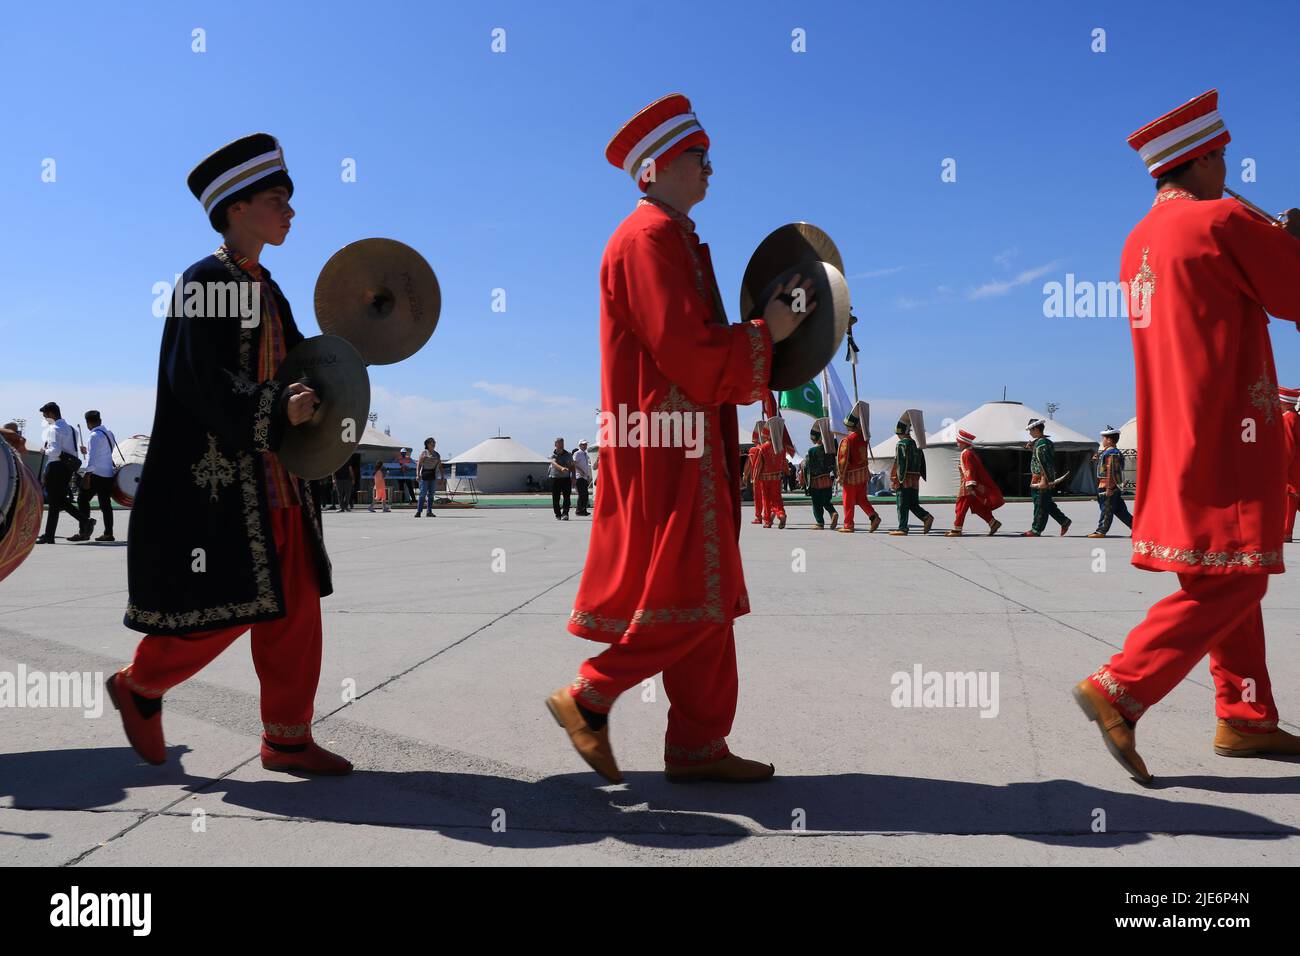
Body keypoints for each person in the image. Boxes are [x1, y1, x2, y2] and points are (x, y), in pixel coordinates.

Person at [548, 92, 811, 784]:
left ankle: (698, 745)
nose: (709, 170)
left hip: (686, 442)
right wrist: (768, 334)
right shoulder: (647, 239)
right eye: (699, 158)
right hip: (666, 447)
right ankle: (589, 695)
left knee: (710, 598)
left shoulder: (674, 237)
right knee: (690, 593)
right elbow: (684, 350)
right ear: (652, 169)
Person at [1073, 90, 1300, 782]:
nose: (1227, 171)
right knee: (1239, 579)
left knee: (1217, 577)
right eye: (1222, 158)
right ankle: (1122, 685)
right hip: (1231, 435)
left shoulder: (1137, 239)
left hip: (1175, 434)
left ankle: (1244, 716)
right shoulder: (1222, 219)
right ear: (1200, 161)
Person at [107, 133, 350, 776]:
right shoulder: (206, 280)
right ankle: (140, 687)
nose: (291, 213)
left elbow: (301, 363)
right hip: (225, 480)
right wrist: (273, 407)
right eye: (278, 200)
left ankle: (287, 740)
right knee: (227, 607)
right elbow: (198, 378)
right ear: (236, 208)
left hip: (282, 479)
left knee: (295, 612)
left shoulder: (268, 286)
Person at [37, 401, 93, 544]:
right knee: (58, 501)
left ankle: (84, 522)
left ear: (51, 414)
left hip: (55, 467)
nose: (44, 418)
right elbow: (73, 451)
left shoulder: (53, 429)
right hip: (67, 468)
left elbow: (55, 451)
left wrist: (44, 450)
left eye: (45, 415)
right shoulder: (72, 429)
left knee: (56, 501)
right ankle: (51, 534)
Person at [944, 429, 1003, 536]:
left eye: (958, 441)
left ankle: (957, 529)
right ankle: (993, 522)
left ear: (963, 443)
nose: (957, 443)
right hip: (972, 484)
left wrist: (970, 485)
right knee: (977, 506)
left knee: (960, 506)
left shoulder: (965, 453)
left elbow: (969, 469)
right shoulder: (971, 452)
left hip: (968, 485)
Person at [1022, 418, 1071, 537]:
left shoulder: (1041, 444)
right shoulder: (1044, 442)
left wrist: (1044, 479)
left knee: (1040, 505)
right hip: (1039, 478)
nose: (1030, 433)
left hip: (1041, 479)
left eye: (1031, 430)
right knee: (1046, 503)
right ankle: (1064, 521)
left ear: (1036, 429)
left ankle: (1036, 529)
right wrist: (1032, 448)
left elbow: (1044, 462)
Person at [75, 410, 118, 542]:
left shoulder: (93, 436)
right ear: (100, 420)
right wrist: (86, 451)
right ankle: (108, 533)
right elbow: (103, 453)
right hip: (108, 473)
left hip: (96, 474)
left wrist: (87, 476)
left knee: (82, 500)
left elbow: (93, 458)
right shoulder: (109, 433)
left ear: (88, 423)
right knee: (106, 505)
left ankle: (84, 531)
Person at [836, 408, 880, 533]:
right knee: (861, 498)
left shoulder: (847, 440)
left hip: (850, 475)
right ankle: (873, 516)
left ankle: (848, 524)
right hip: (863, 474)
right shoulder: (864, 438)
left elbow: (843, 460)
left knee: (848, 500)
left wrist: (841, 475)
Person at [889, 417, 933, 535]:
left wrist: (896, 479)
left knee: (902, 503)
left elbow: (900, 463)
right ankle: (926, 517)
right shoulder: (916, 444)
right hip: (914, 478)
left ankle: (902, 527)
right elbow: (921, 462)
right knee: (913, 503)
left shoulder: (901, 444)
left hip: (904, 478)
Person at [1086, 426, 1133, 538]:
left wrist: (1109, 488)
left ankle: (1101, 531)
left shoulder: (1112, 453)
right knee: (1120, 510)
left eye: (1104, 438)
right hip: (1108, 486)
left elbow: (1112, 472)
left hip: (1108, 486)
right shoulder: (1108, 452)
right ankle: (1137, 528)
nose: (1103, 440)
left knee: (1106, 509)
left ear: (1109, 440)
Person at [801, 426, 838, 530]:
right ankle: (833, 512)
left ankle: (820, 522)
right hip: (827, 479)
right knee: (826, 501)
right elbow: (832, 464)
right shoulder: (829, 449)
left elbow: (809, 467)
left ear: (813, 438)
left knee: (816, 502)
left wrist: (805, 479)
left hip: (816, 481)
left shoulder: (812, 450)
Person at [755, 422, 787, 529]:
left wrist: (755, 477)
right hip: (777, 477)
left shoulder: (762, 448)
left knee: (766, 500)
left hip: (765, 478)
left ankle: (768, 521)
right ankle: (781, 514)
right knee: (777, 498)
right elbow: (784, 463)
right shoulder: (781, 448)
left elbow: (758, 465)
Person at [1281, 389, 1300, 543]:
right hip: (1296, 467)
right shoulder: (1296, 418)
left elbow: (1288, 447)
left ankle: (1285, 533)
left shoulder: (1288, 419)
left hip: (1292, 470)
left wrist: (1281, 467)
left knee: (1289, 499)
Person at [742, 424, 765, 524]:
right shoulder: (767, 448)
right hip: (767, 476)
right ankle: (769, 514)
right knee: (767, 497)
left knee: (758, 498)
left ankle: (758, 517)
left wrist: (745, 475)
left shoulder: (753, 450)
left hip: (755, 477)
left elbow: (748, 465)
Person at [415, 437, 441, 518]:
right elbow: (419, 464)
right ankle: (419, 511)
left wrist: (442, 476)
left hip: (433, 475)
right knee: (422, 494)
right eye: (432, 442)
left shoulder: (437, 454)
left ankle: (429, 511)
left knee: (431, 494)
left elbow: (440, 465)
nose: (433, 444)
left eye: (434, 442)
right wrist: (417, 474)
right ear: (427, 444)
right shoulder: (424, 453)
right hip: (424, 475)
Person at [549, 437, 573, 520]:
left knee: (567, 497)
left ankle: (565, 513)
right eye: (559, 443)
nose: (561, 445)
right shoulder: (552, 455)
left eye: (562, 443)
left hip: (566, 478)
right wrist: (562, 468)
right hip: (555, 478)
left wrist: (573, 477)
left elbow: (572, 466)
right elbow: (553, 463)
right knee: (556, 497)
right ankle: (558, 514)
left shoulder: (568, 455)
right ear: (555, 444)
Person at [572, 439, 592, 516]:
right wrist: (581, 471)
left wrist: (587, 474)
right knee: (582, 494)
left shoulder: (586, 454)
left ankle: (583, 510)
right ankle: (579, 510)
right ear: (580, 445)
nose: (585, 446)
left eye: (586, 444)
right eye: (583, 444)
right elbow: (574, 464)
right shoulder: (577, 453)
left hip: (585, 477)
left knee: (585, 494)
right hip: (579, 476)